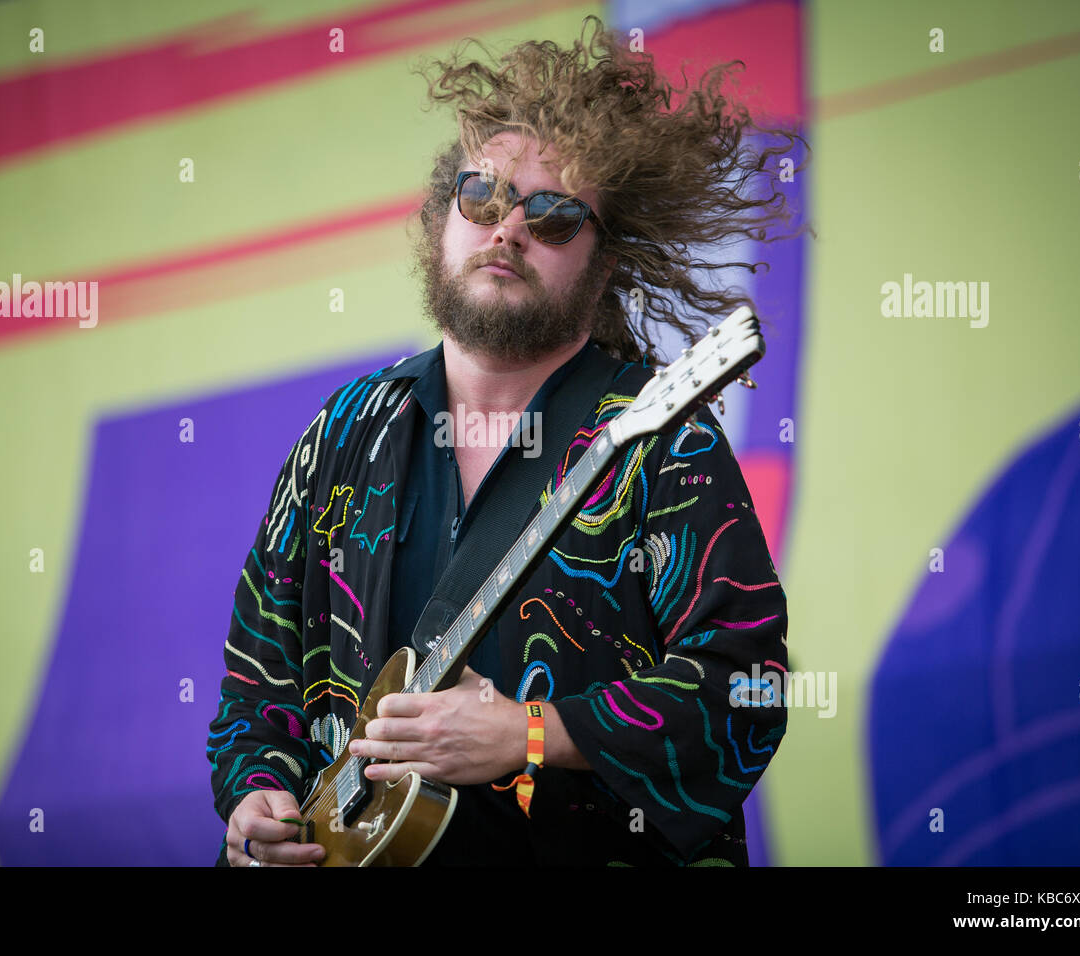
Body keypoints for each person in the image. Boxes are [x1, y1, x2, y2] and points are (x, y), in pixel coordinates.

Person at [209, 16, 803, 867]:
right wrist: (256, 798)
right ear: (439, 222)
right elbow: (255, 689)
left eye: (555, 215)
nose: (508, 227)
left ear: (602, 264)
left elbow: (746, 690)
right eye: (481, 195)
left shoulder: (662, 440)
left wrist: (534, 734)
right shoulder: (341, 435)